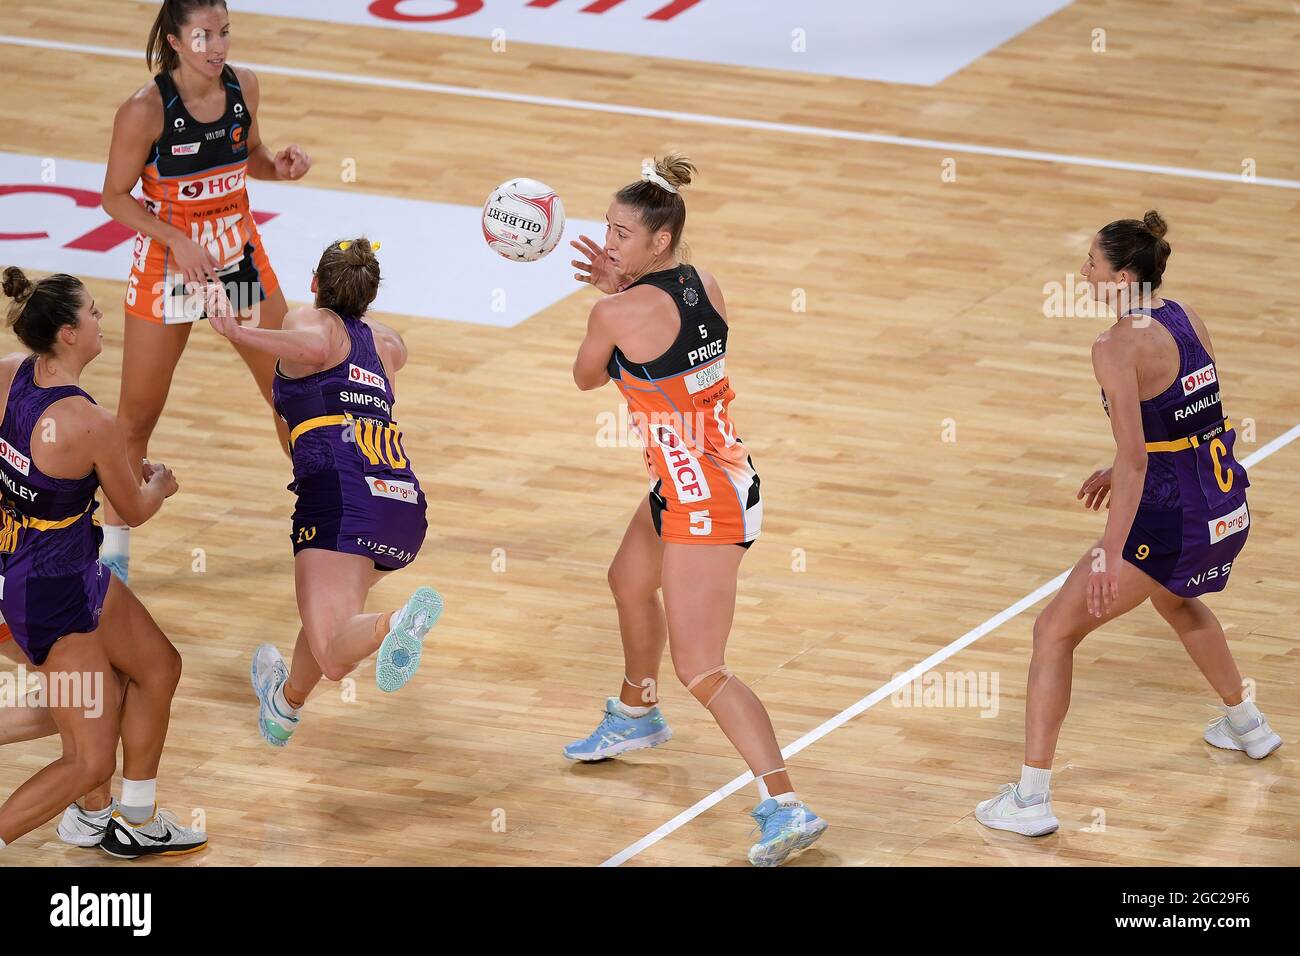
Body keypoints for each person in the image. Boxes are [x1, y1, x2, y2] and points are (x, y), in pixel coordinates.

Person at [976, 211, 1281, 837]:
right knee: (1178, 602)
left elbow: (1139, 456)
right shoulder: (1185, 316)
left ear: (1120, 276)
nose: (1083, 273)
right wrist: (1122, 465)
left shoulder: (1113, 347)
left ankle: (1031, 799)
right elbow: (1194, 415)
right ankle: (1248, 726)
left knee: (1053, 632)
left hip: (1168, 514)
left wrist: (1109, 556)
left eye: (1092, 263)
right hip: (1221, 500)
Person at [564, 154, 827, 866]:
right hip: (704, 476)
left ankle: (786, 804)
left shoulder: (612, 311)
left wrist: (611, 296)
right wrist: (622, 284)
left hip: (704, 502)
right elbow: (672, 334)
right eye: (606, 229)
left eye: (622, 234)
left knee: (705, 669)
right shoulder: (703, 282)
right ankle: (636, 713)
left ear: (659, 241)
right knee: (627, 580)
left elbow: (587, 376)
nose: (609, 242)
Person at [98, 0, 311, 583]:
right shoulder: (143, 111)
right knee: (137, 418)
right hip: (170, 266)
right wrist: (176, 239)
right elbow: (114, 197)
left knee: (292, 393)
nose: (217, 47)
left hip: (237, 255)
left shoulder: (245, 85)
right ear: (173, 40)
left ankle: (324, 516)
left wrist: (279, 164)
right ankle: (110, 558)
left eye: (224, 33)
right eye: (203, 36)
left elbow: (252, 157)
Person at [0, 268, 206, 858]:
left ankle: (134, 822)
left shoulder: (12, 376)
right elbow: (133, 509)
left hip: (62, 566)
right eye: (92, 312)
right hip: (54, 592)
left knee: (159, 666)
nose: (101, 318)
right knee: (88, 760)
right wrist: (161, 485)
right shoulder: (89, 423)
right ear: (67, 333)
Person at [202, 240, 441, 748]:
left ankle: (397, 622)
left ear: (315, 284)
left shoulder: (310, 324)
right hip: (398, 505)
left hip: (341, 499)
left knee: (333, 652)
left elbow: (313, 346)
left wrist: (236, 330)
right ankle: (284, 705)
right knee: (331, 617)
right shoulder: (386, 342)